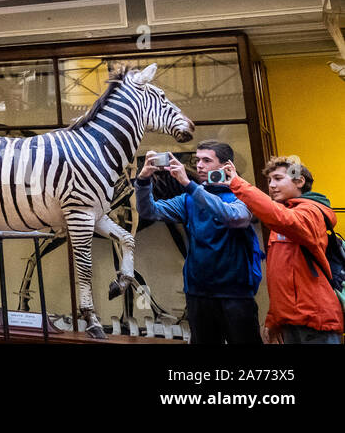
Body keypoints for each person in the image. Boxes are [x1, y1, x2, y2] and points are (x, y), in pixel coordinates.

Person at [135, 140, 263, 344]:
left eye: (206, 160)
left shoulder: (242, 195)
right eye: (197, 160)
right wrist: (143, 181)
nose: (199, 166)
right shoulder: (189, 199)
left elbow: (232, 217)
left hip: (235, 294)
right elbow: (148, 210)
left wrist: (188, 184)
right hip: (198, 293)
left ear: (226, 166)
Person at [226, 156, 343, 344]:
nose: (272, 185)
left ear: (299, 181)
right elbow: (280, 277)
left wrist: (238, 184)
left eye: (279, 179)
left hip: (316, 321)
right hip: (291, 320)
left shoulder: (312, 212)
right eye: (270, 180)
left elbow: (284, 219)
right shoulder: (284, 215)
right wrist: (274, 319)